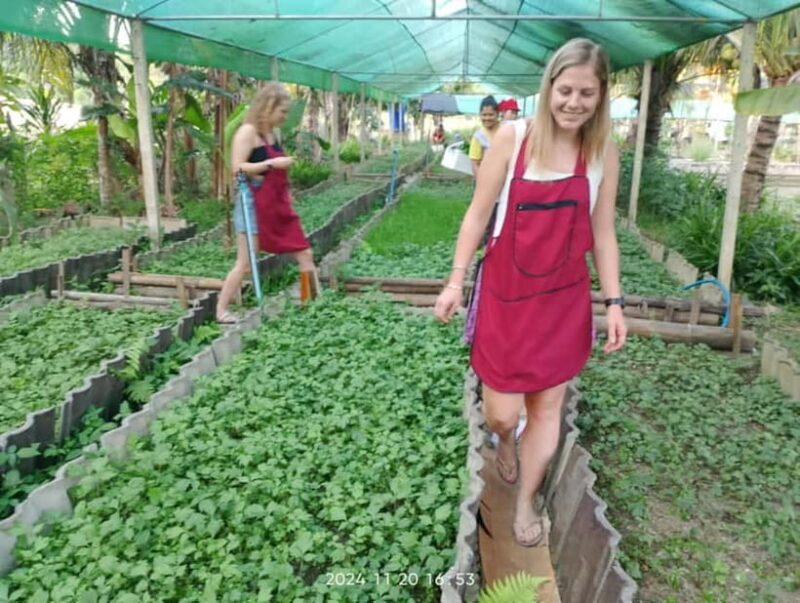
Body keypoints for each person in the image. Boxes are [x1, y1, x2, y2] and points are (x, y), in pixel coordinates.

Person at [434, 38, 627, 547]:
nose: (574, 103)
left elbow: (603, 232)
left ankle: (525, 503)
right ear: (549, 88)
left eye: (587, 93)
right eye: (565, 90)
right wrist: (455, 280)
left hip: (562, 301)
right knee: (503, 411)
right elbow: (478, 213)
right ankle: (503, 440)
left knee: (546, 409)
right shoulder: (513, 139)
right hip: (505, 297)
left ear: (601, 95)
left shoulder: (603, 151)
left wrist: (614, 302)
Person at [216, 82, 319, 323]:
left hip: (276, 205)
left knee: (305, 254)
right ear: (267, 107)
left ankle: (309, 305)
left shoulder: (271, 133)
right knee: (245, 262)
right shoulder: (247, 132)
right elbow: (237, 168)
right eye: (282, 111)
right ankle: (221, 309)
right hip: (253, 203)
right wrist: (272, 164)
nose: (285, 116)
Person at [468, 95, 501, 177]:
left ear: (497, 114)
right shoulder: (478, 137)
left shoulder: (506, 130)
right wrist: (482, 183)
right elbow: (475, 164)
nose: (487, 118)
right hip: (487, 178)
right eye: (484, 115)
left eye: (491, 115)